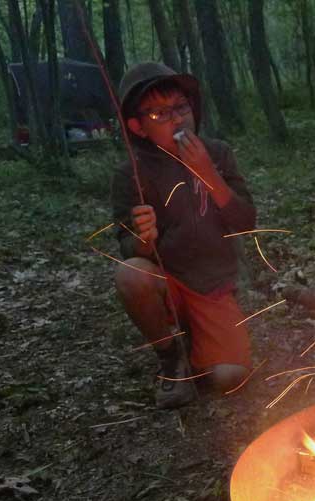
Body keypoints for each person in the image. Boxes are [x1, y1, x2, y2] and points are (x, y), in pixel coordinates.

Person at [111, 62, 256, 409]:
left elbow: (246, 221)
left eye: (181, 107)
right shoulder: (131, 171)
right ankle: (170, 357)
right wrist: (145, 239)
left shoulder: (217, 154)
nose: (177, 120)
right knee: (132, 274)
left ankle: (199, 341)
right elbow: (128, 246)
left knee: (230, 378)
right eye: (160, 114)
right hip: (169, 284)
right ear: (138, 126)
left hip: (212, 287)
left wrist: (207, 173)